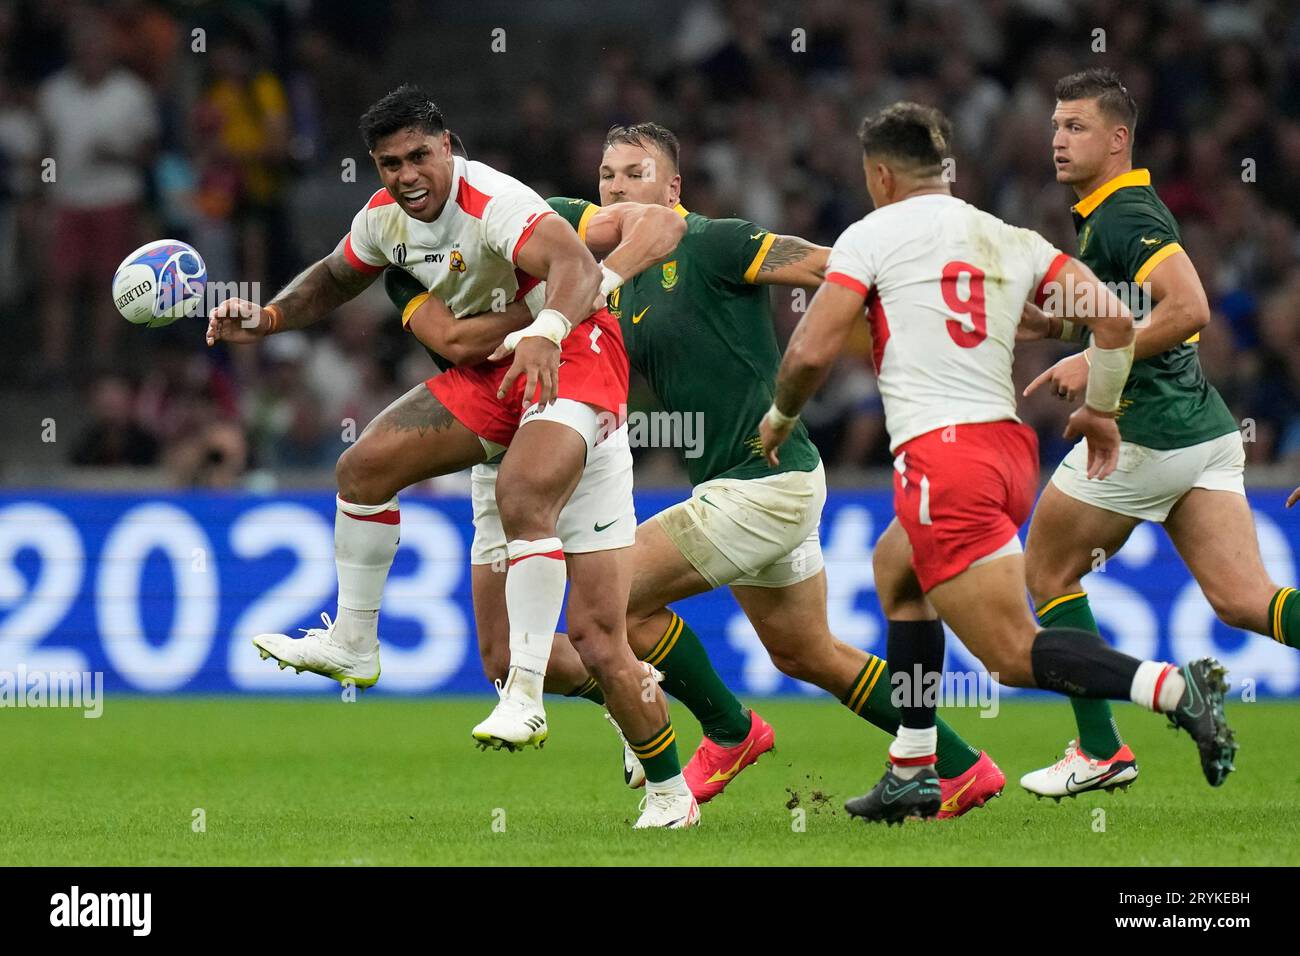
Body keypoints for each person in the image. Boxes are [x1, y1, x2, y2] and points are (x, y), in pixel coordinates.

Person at [390, 122, 1002, 816]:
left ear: (673, 187)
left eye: (635, 173)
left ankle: (730, 730)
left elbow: (831, 269)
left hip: (762, 485)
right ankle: (959, 766)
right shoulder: (605, 280)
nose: (618, 187)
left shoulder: (715, 241)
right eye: (608, 176)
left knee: (612, 607)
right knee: (808, 654)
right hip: (755, 484)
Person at [206, 86, 693, 829]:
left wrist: (548, 327)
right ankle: (354, 644)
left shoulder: (495, 200)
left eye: (418, 156)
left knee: (563, 572)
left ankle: (643, 776)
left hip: (577, 355)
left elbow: (577, 270)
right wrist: (268, 316)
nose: (406, 174)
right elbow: (337, 278)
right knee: (362, 471)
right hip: (494, 372)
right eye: (388, 162)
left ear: (448, 147)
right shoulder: (384, 225)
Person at [760, 101, 1236, 824]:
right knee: (898, 575)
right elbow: (1111, 319)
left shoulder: (869, 234)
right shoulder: (1006, 236)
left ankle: (1174, 690)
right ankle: (915, 768)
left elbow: (810, 351)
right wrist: (1101, 408)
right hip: (1006, 453)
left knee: (1012, 655)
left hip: (942, 461)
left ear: (880, 175)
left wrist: (781, 415)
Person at [1015, 69, 1297, 799]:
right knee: (1246, 600)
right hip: (1202, 434)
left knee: (1047, 574)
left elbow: (1190, 308)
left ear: (1117, 139)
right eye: (1054, 125)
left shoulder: (1123, 213)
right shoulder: (1104, 213)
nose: (1057, 140)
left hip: (1147, 438)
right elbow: (1130, 308)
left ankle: (1101, 750)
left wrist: (1092, 354)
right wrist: (1056, 324)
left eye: (1075, 127)